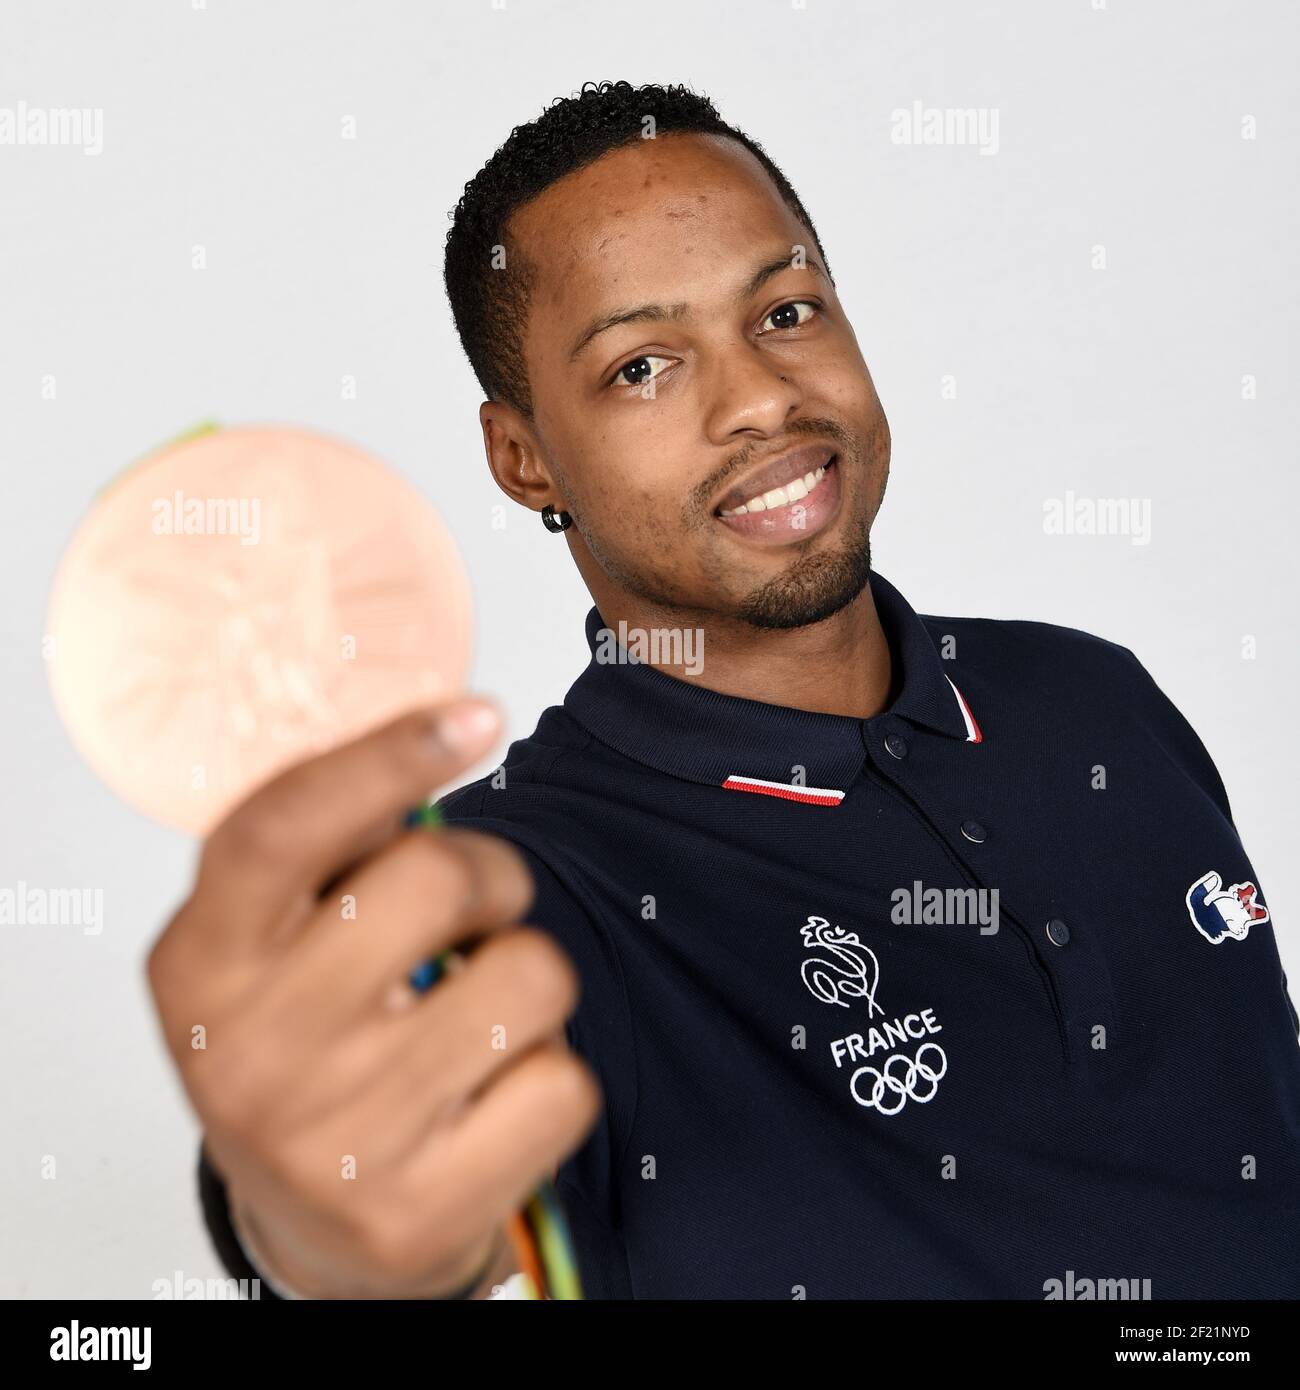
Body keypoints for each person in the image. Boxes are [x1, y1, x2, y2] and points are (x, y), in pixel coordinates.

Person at [148, 81, 1300, 1300]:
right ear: (523, 455)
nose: (757, 397)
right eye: (642, 366)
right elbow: (399, 1199)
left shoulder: (1093, 699)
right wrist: (306, 1231)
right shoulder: (516, 888)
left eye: (787, 310)